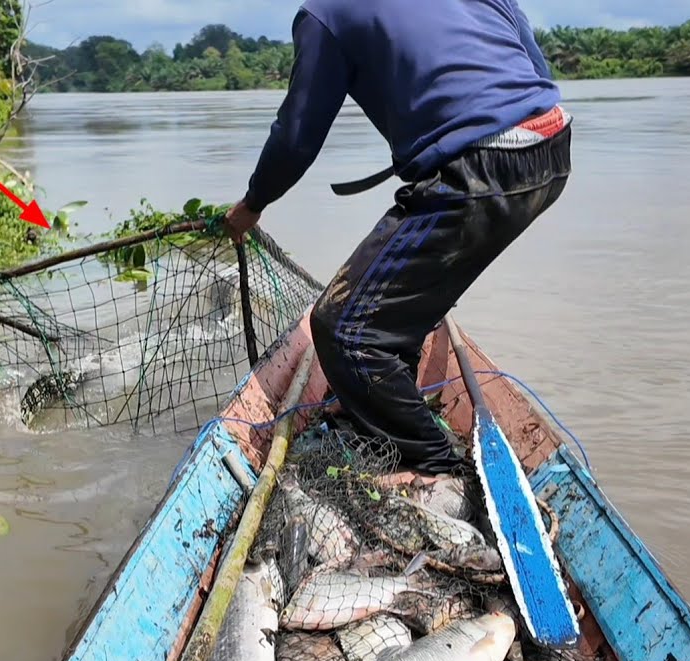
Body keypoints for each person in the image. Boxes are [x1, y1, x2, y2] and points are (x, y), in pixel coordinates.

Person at [223, 0, 572, 483]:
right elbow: (533, 68)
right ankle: (387, 406)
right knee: (387, 319)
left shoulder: (325, 11)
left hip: (480, 168)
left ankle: (436, 463)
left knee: (341, 329)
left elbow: (297, 135)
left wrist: (253, 203)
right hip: (551, 147)